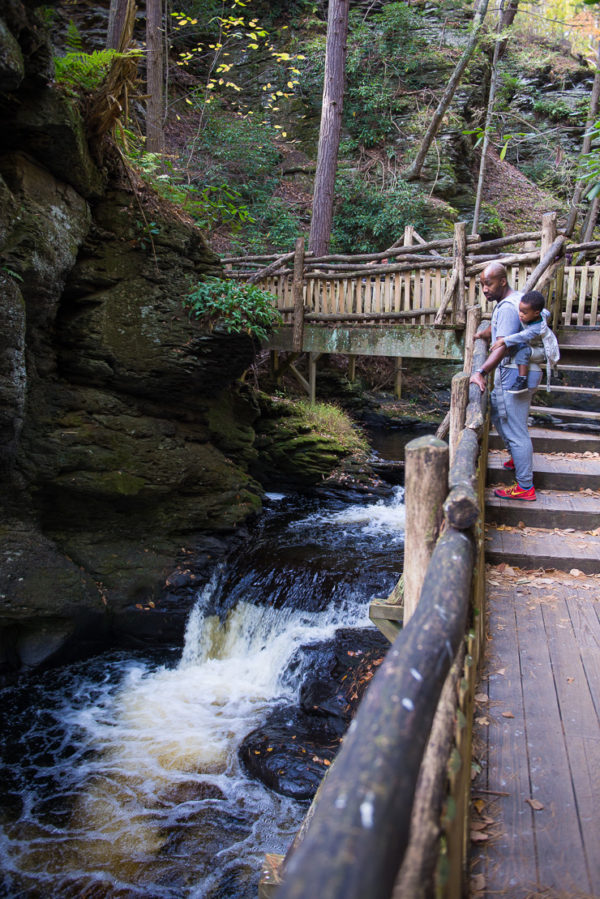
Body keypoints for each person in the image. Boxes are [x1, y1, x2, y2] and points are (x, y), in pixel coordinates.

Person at [470, 262, 542, 502]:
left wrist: (480, 371)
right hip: (518, 371)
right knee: (497, 412)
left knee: (516, 429)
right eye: (482, 285)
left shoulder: (509, 307)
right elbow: (501, 330)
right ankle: (517, 458)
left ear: (502, 281)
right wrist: (483, 334)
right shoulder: (514, 300)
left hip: (514, 373)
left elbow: (503, 347)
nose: (485, 289)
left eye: (488, 284)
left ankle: (525, 486)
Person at [489, 290, 551, 396]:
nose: (520, 315)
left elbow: (522, 336)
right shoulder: (539, 313)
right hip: (531, 345)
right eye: (520, 311)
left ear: (536, 313)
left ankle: (522, 379)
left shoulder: (537, 327)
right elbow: (546, 312)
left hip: (540, 350)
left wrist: (504, 340)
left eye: (524, 313)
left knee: (522, 352)